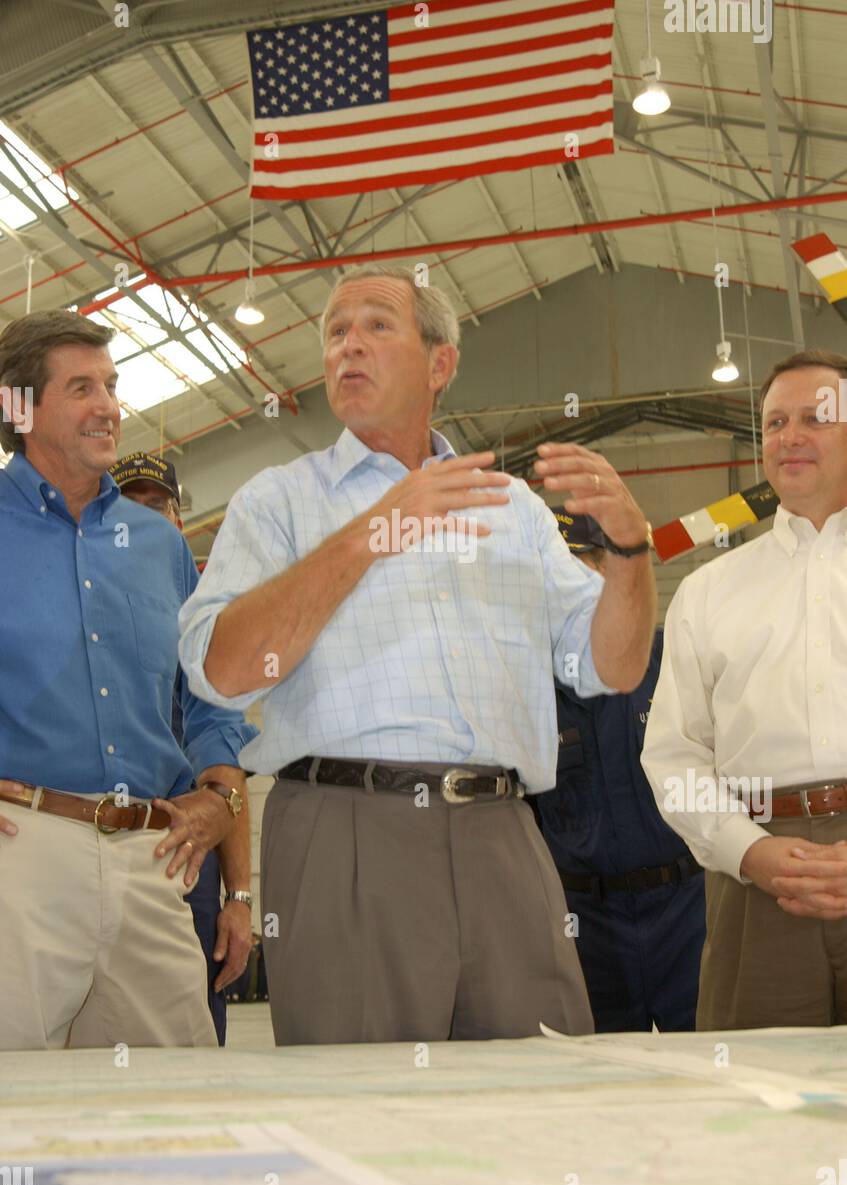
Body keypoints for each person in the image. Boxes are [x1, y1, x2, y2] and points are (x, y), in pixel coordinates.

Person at [179, 263, 656, 1046]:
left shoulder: (514, 509)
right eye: (334, 332)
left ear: (440, 364)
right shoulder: (279, 500)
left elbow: (611, 668)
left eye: (374, 325)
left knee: (543, 1090)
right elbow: (223, 671)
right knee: (360, 1109)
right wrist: (373, 532)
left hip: (504, 834)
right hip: (346, 830)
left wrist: (631, 556)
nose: (346, 347)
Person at [0, 311, 254, 1050]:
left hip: (153, 858)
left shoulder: (160, 545)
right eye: (81, 387)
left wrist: (220, 796)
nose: (109, 406)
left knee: (180, 1107)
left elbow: (210, 699)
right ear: (19, 409)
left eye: (111, 385)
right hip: (23, 855)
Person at [642, 349, 847, 1029]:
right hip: (756, 873)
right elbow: (673, 757)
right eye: (774, 423)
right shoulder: (705, 592)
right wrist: (746, 849)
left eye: (816, 418)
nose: (789, 436)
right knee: (760, 1103)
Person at [532, 510, 705, 1032]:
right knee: (602, 1081)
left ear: (616, 571)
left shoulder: (672, 659)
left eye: (583, 566)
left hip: (687, 911)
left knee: (717, 1065)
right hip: (584, 923)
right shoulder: (527, 685)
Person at [112, 450, 254, 1046]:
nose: (145, 519)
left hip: (185, 858)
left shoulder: (206, 618)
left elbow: (228, 771)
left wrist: (240, 896)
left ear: (178, 519)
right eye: (129, 506)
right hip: (94, 841)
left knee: (190, 1030)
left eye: (157, 505)